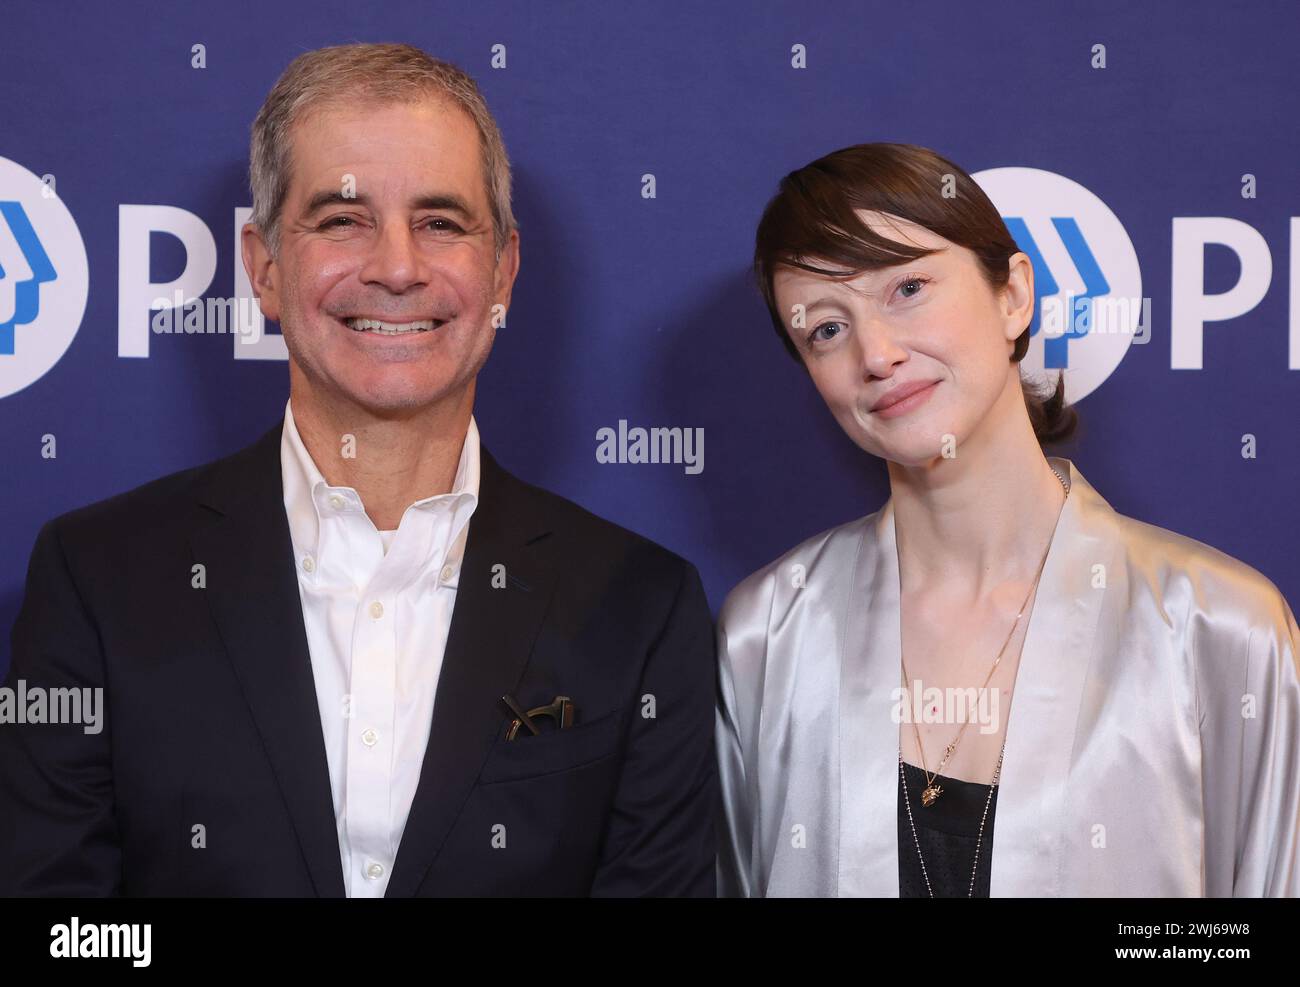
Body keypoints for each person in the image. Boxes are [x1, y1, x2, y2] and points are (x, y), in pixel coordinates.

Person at [0, 43, 716, 897]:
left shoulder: (639, 603)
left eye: (441, 222)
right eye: (342, 220)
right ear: (263, 267)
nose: (397, 266)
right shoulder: (97, 577)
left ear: (504, 272)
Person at [715, 142, 1299, 897]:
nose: (877, 353)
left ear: (1013, 295)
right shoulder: (768, 635)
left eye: (909, 287)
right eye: (826, 328)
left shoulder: (1219, 627)